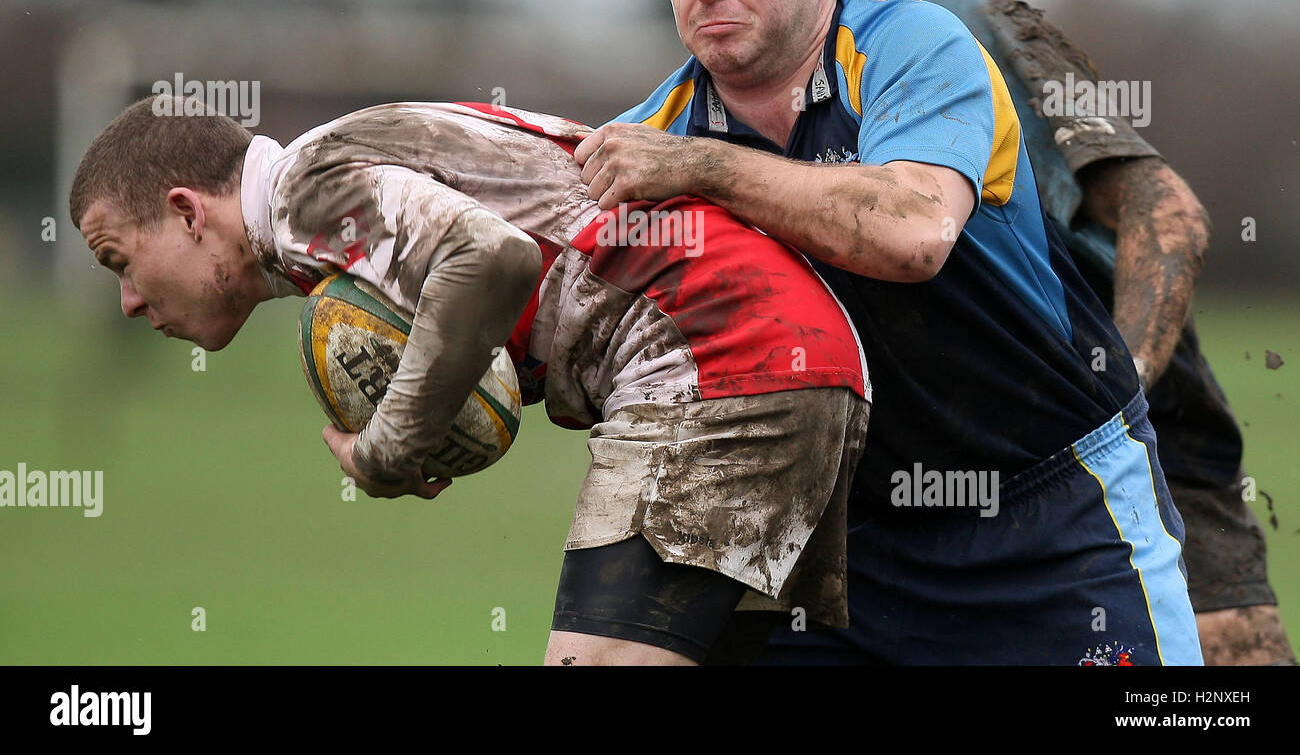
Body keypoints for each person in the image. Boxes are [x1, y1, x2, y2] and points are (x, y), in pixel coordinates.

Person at [578, 0, 1202, 664]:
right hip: (841, 544)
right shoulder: (648, 137)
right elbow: (557, 317)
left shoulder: (917, 46)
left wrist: (702, 169)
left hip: (1053, 513)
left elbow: (912, 232)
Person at [70, 95, 871, 666]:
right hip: (795, 357)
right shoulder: (334, 185)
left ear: (185, 210)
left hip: (719, 362)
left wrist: (389, 449)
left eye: (119, 261)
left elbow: (492, 255)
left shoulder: (303, 190)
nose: (130, 300)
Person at [793, 0, 1290, 667]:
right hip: (947, 467)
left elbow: (1170, 216)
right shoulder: (778, 76)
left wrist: (1105, 412)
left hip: (1127, 443)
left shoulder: (967, 26)